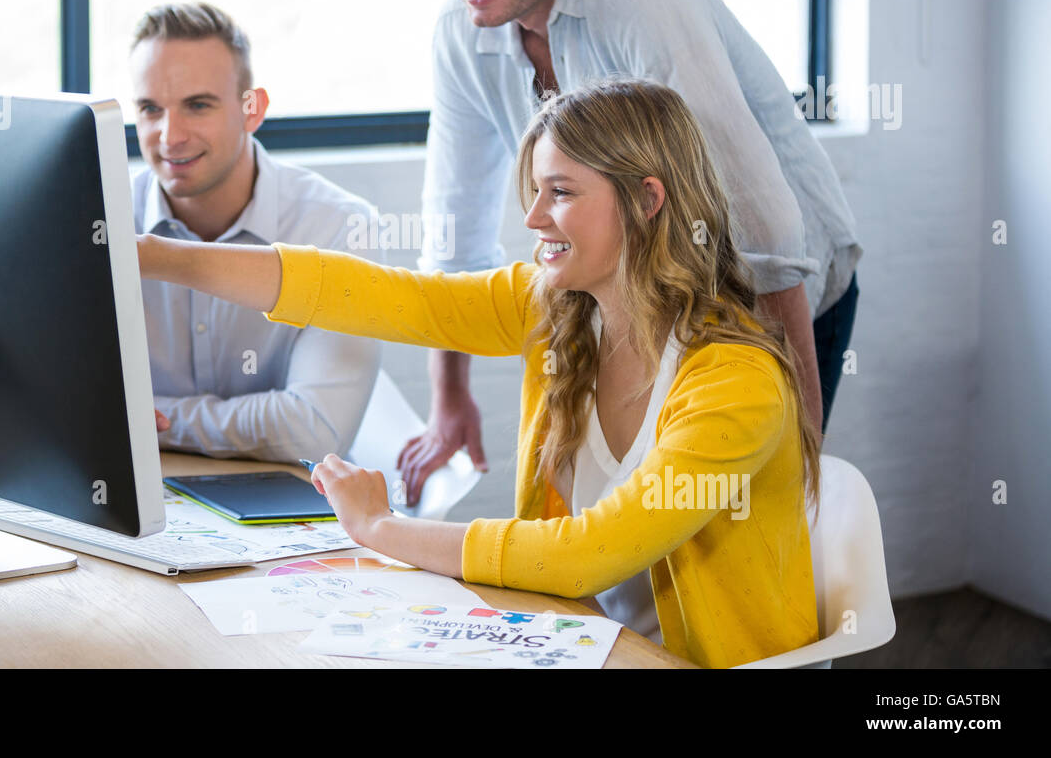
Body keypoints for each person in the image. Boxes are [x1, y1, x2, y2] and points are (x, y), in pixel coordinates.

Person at [138, 79, 822, 669]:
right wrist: (154, 256)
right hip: (580, 640)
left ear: (647, 200)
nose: (531, 217)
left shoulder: (735, 381)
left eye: (560, 192)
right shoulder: (557, 309)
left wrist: (383, 528)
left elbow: (588, 555)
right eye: (534, 189)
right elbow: (380, 294)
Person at [398, 0, 861, 507]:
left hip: (774, 289)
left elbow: (764, 231)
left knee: (749, 520)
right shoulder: (460, 34)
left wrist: (798, 457)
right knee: (633, 526)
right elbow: (452, 226)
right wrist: (449, 400)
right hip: (644, 306)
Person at [129, 1, 381, 464]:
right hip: (143, 501)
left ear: (252, 109)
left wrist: (157, 420)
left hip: (289, 508)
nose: (169, 136)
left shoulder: (339, 228)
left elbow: (314, 430)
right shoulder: (100, 221)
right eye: (150, 109)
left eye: (197, 105)